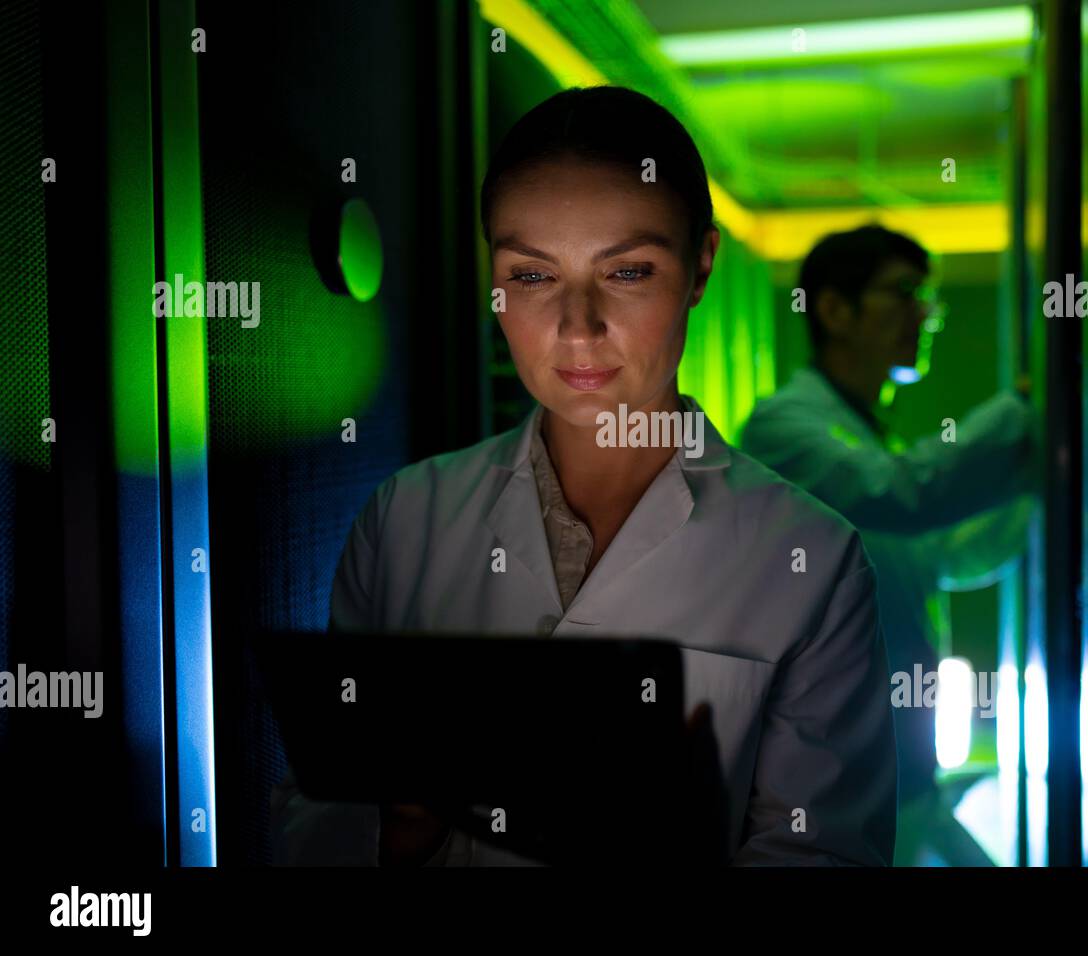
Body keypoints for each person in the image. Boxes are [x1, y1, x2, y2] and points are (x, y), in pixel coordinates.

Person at [270, 86, 897, 866]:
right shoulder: (405, 519)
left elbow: (828, 857)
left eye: (628, 271)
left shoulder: (812, 560)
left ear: (700, 268)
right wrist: (397, 826)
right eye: (532, 277)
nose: (577, 327)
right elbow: (310, 827)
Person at [739, 225, 1040, 866]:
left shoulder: (864, 434)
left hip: (900, 774)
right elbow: (902, 495)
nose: (923, 313)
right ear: (832, 309)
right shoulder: (783, 428)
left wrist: (1042, 489)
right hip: (837, 787)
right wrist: (1024, 407)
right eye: (902, 292)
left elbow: (947, 557)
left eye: (925, 295)